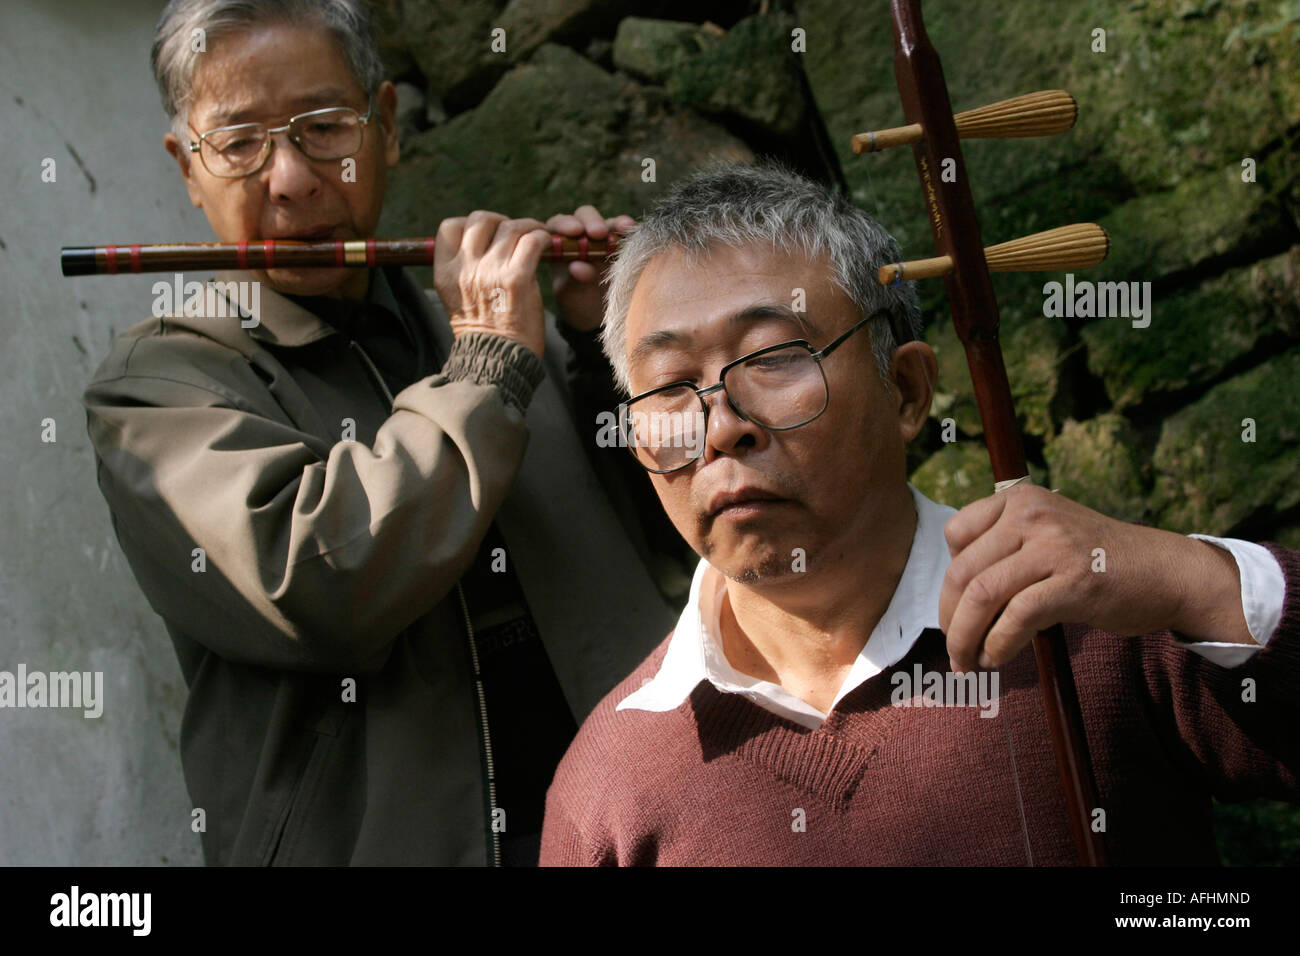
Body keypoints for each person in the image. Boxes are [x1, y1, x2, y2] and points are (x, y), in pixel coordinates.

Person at [539, 163, 1298, 866]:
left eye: (772, 357)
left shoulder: (1094, 620)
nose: (721, 426)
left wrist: (1196, 582)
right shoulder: (609, 789)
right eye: (670, 386)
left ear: (905, 391)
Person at [82, 0, 675, 866]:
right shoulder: (155, 388)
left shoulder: (509, 334)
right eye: (239, 142)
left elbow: (690, 535)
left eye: (325, 127)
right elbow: (322, 585)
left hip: (632, 824)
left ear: (387, 126)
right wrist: (486, 368)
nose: (290, 179)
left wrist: (601, 345)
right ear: (187, 168)